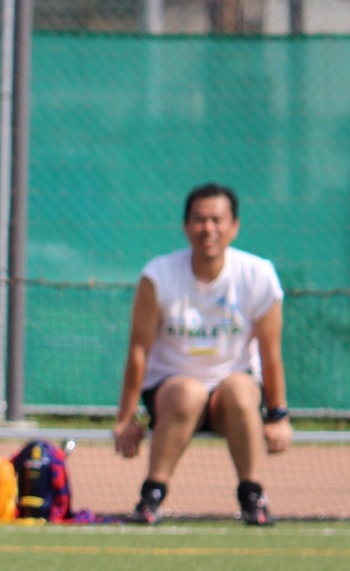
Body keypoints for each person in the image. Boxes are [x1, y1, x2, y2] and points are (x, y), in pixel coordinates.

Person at [112, 183, 290, 527]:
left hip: (232, 399)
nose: (208, 228)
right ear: (185, 226)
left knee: (240, 390)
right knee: (188, 392)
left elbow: (271, 354)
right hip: (171, 396)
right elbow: (138, 350)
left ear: (234, 226)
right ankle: (152, 495)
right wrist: (126, 417)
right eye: (198, 220)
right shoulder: (158, 275)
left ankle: (252, 495)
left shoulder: (257, 274)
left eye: (216, 220)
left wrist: (278, 415)